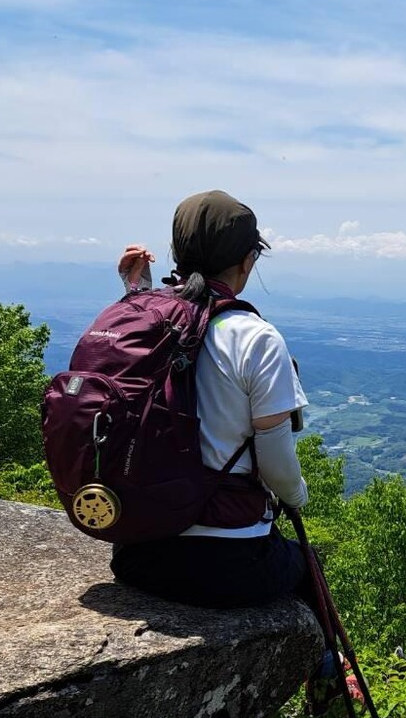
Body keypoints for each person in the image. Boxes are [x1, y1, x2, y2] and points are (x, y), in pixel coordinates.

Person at [109, 190, 311, 608]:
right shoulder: (255, 338)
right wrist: (297, 497)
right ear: (247, 260)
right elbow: (276, 463)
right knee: (308, 566)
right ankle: (322, 652)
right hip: (228, 561)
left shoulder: (138, 320)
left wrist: (136, 293)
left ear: (177, 254)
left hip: (136, 552)